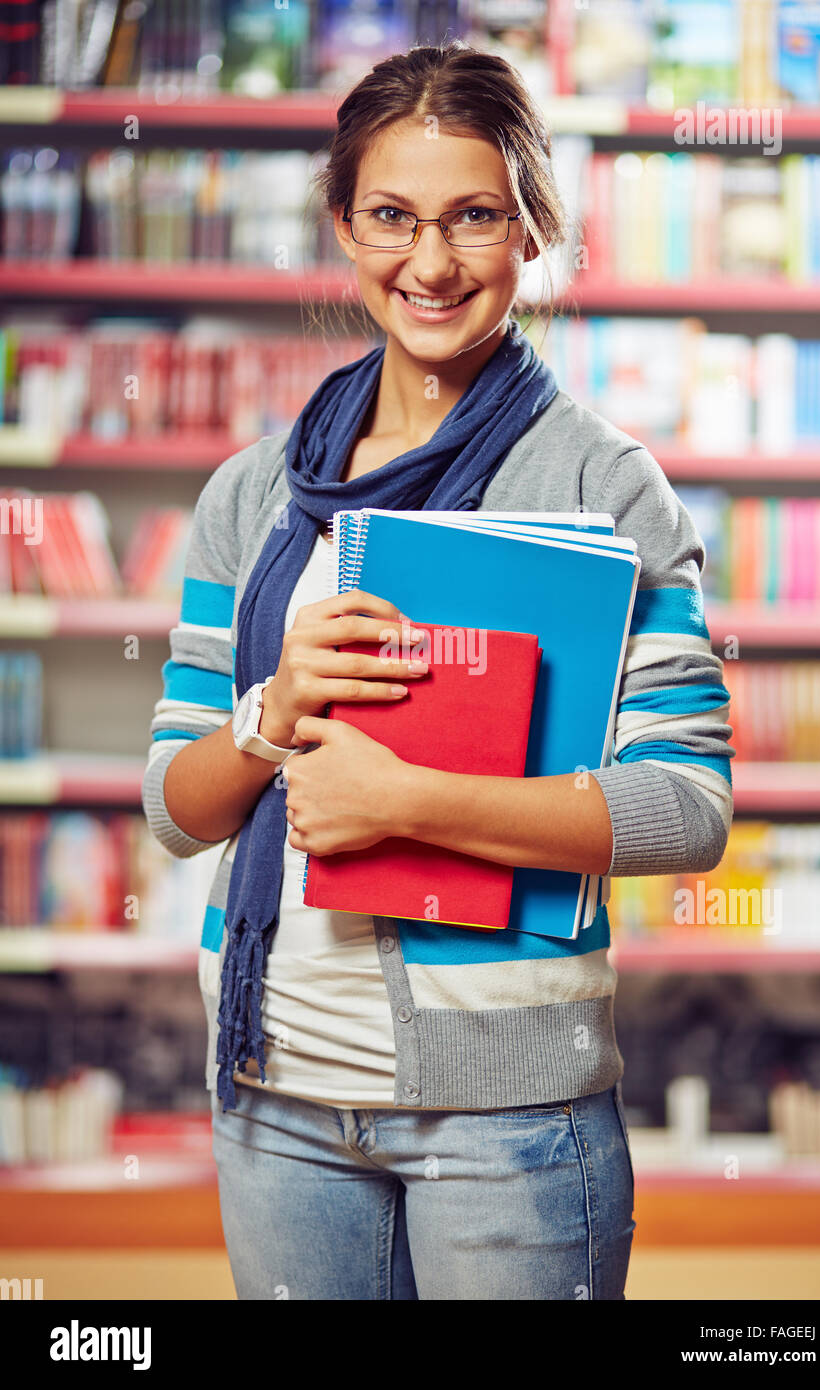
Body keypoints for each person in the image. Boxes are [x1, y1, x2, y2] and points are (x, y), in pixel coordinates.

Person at [143, 41, 734, 1301]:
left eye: (472, 217)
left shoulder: (599, 482)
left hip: (506, 1122)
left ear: (530, 229)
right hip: (274, 1093)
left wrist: (407, 802)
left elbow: (685, 809)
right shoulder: (252, 495)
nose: (430, 262)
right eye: (390, 218)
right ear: (343, 227)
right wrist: (270, 714)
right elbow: (174, 808)